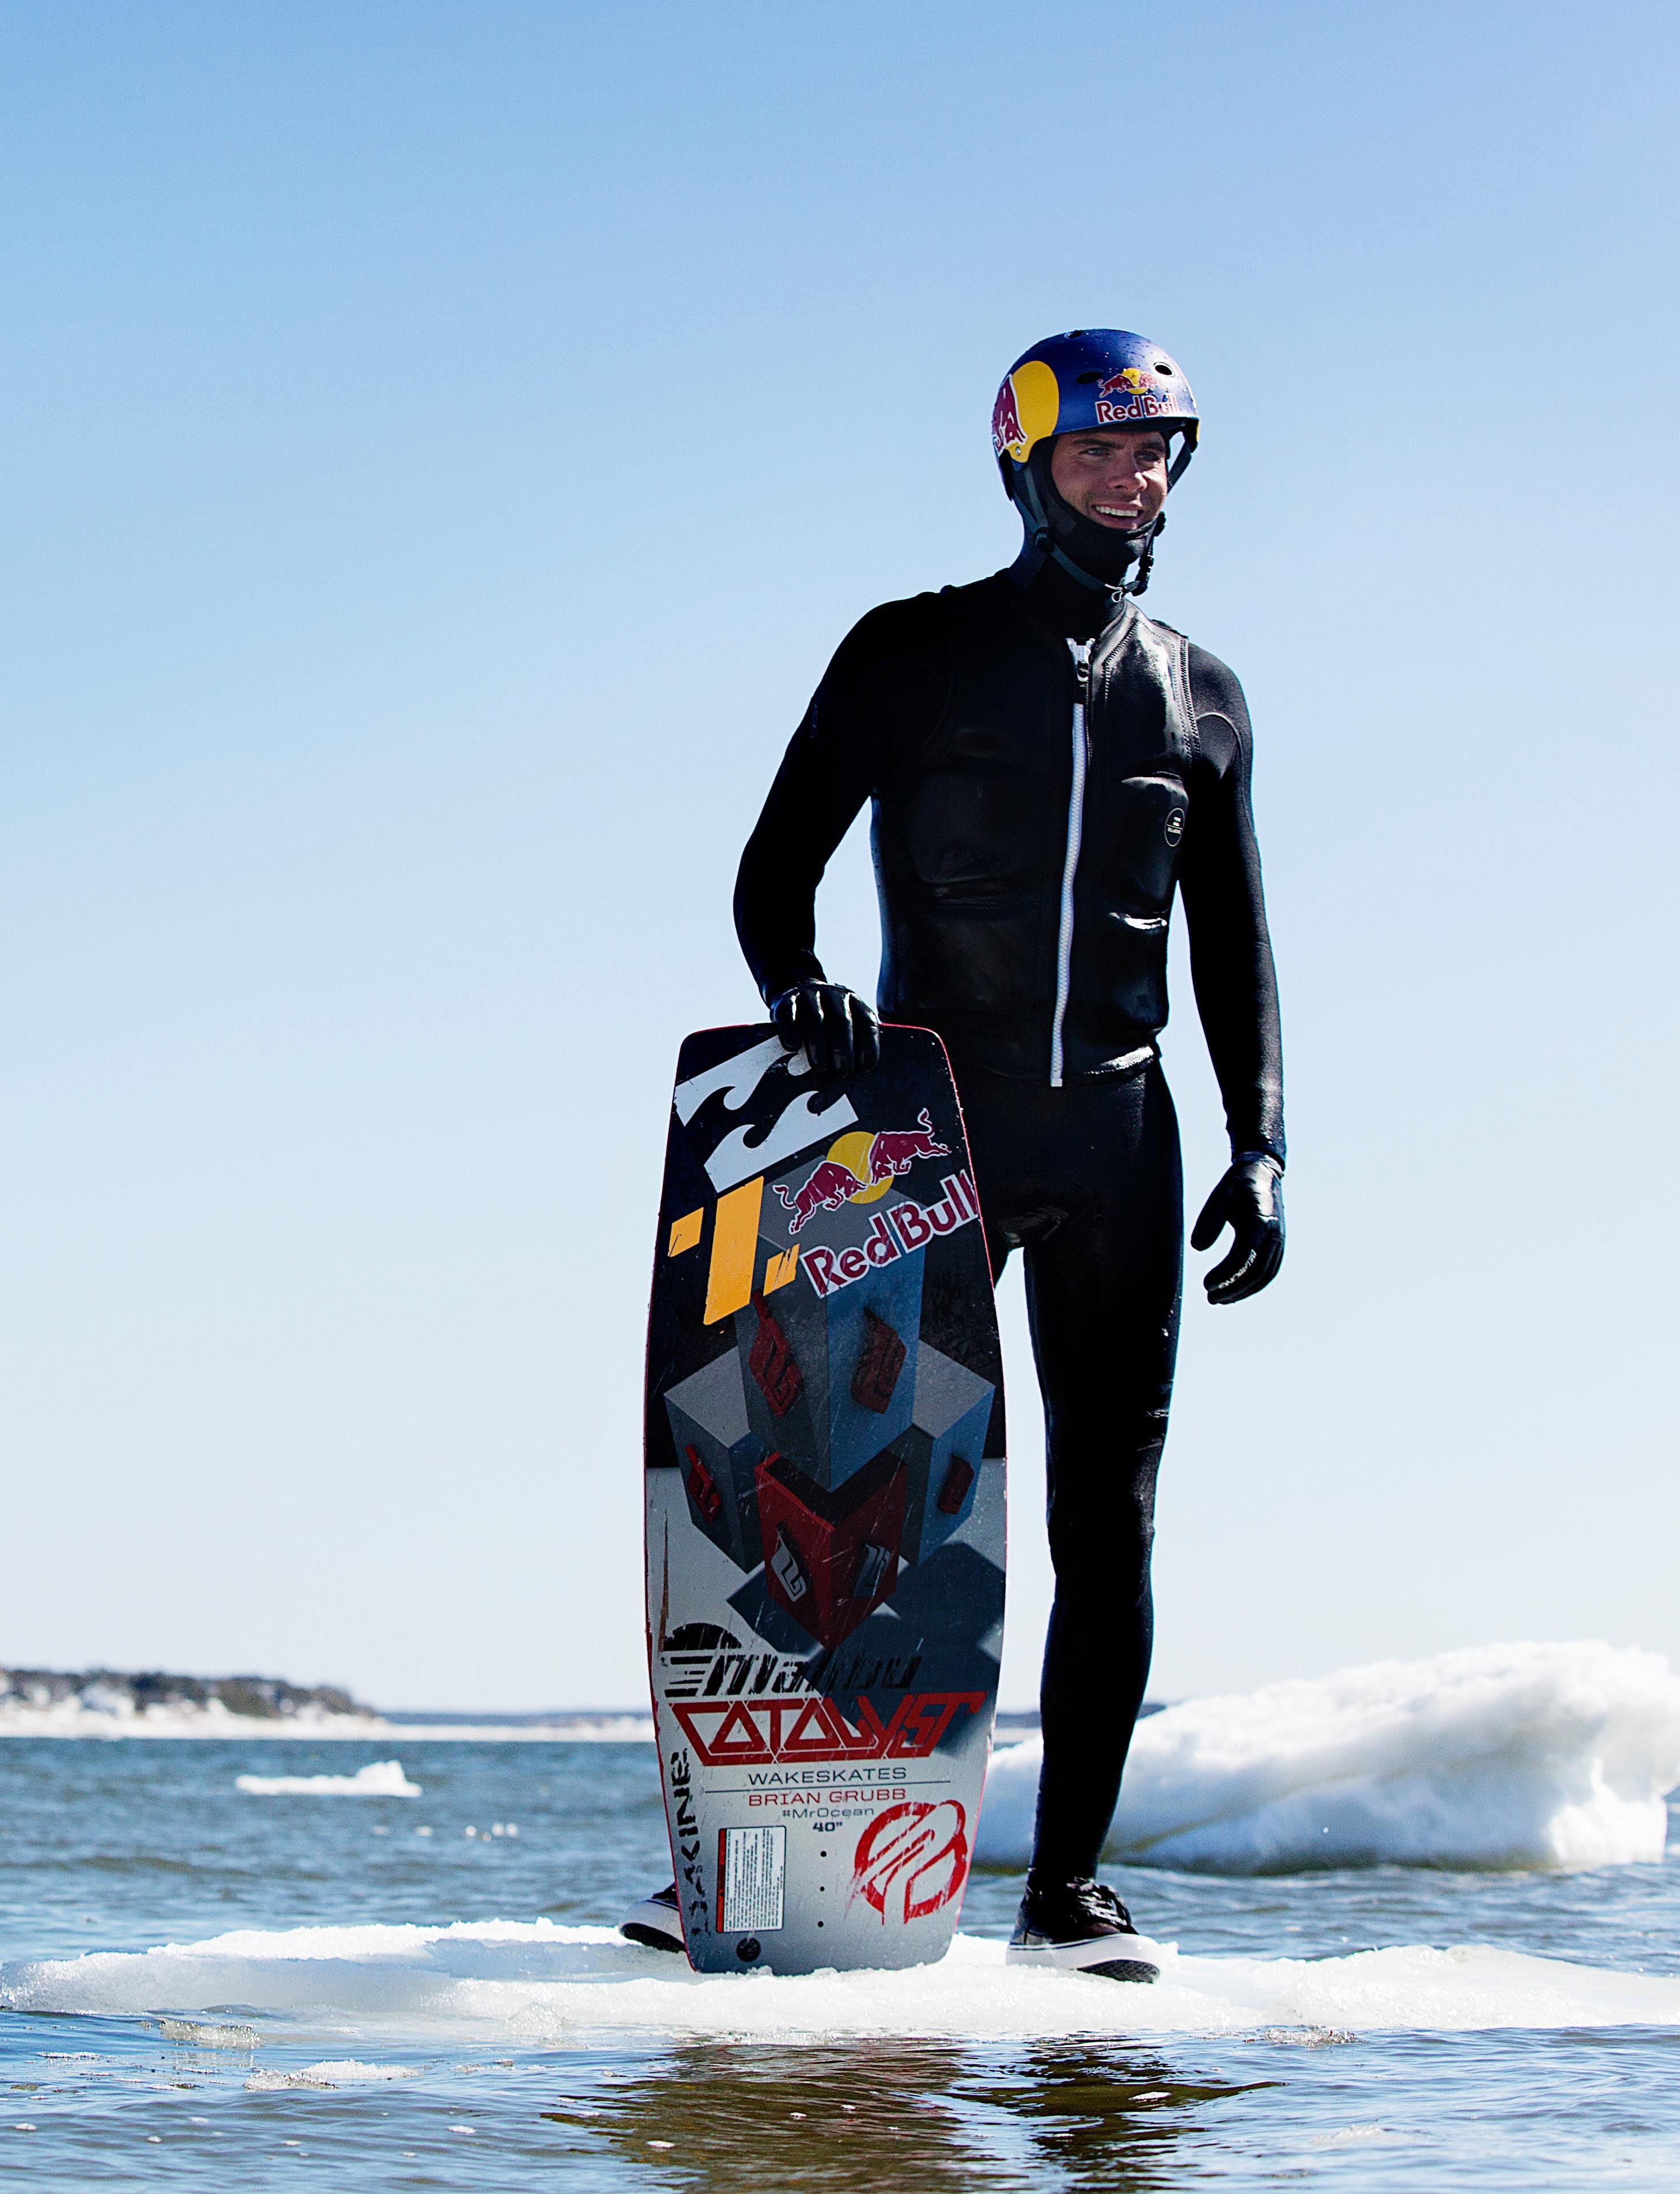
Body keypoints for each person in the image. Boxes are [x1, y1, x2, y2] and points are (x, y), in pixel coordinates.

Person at [622, 329, 1284, 1981]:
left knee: (1107, 1528)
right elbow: (773, 872)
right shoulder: (913, 653)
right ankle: (741, 1872)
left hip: (1122, 1135)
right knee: (839, 1501)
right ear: (1027, 467)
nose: (1131, 483)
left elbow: (1235, 949)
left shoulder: (1203, 695)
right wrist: (802, 991)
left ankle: (1067, 1900)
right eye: (1098, 456)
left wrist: (1262, 1140)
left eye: (1155, 456)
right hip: (927, 1132)